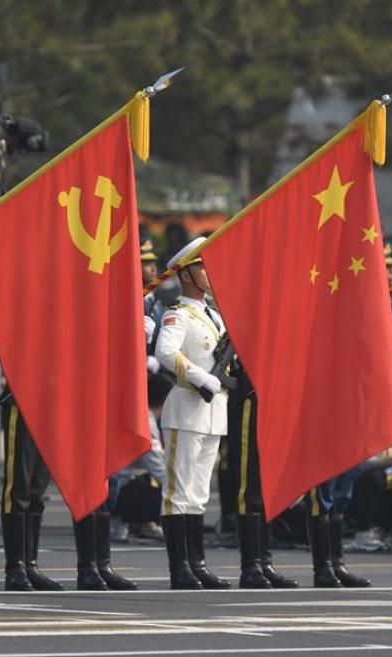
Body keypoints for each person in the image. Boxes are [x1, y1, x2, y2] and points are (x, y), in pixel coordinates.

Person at [154, 237, 231, 590]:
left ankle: (197, 563)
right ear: (186, 275)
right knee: (179, 492)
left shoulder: (214, 315)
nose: (209, 272)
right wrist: (201, 378)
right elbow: (167, 353)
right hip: (186, 408)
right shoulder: (177, 313)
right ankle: (179, 567)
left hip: (213, 412)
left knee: (199, 492)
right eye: (202, 266)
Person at [226, 362, 299, 590]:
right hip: (249, 390)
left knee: (267, 484)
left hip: (271, 390)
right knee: (250, 485)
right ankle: (251, 566)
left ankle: (264, 563)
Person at [0, 393, 64, 592]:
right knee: (18, 489)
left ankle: (30, 564)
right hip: (22, 399)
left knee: (37, 489)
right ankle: (15, 567)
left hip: (50, 404)